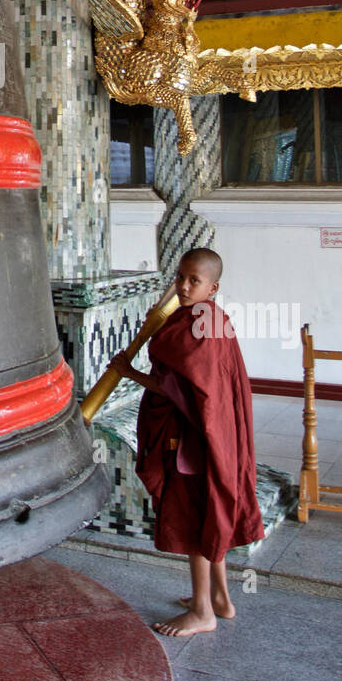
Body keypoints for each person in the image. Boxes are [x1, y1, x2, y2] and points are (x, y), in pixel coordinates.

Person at [110, 247, 264, 637]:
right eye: (180, 277)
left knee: (196, 522)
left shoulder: (197, 324)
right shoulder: (212, 318)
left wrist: (128, 371)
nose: (183, 285)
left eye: (194, 280)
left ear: (213, 287)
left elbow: (171, 387)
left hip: (192, 444)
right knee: (210, 513)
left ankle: (201, 612)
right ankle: (221, 599)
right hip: (214, 438)